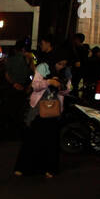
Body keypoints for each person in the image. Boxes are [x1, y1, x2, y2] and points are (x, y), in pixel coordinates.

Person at [14, 46, 70, 179]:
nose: (61, 67)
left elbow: (68, 90)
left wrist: (61, 87)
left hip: (55, 109)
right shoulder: (43, 67)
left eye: (64, 64)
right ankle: (24, 167)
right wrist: (49, 82)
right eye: (59, 63)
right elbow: (35, 85)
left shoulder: (67, 72)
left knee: (51, 140)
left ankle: (49, 168)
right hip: (39, 108)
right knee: (32, 139)